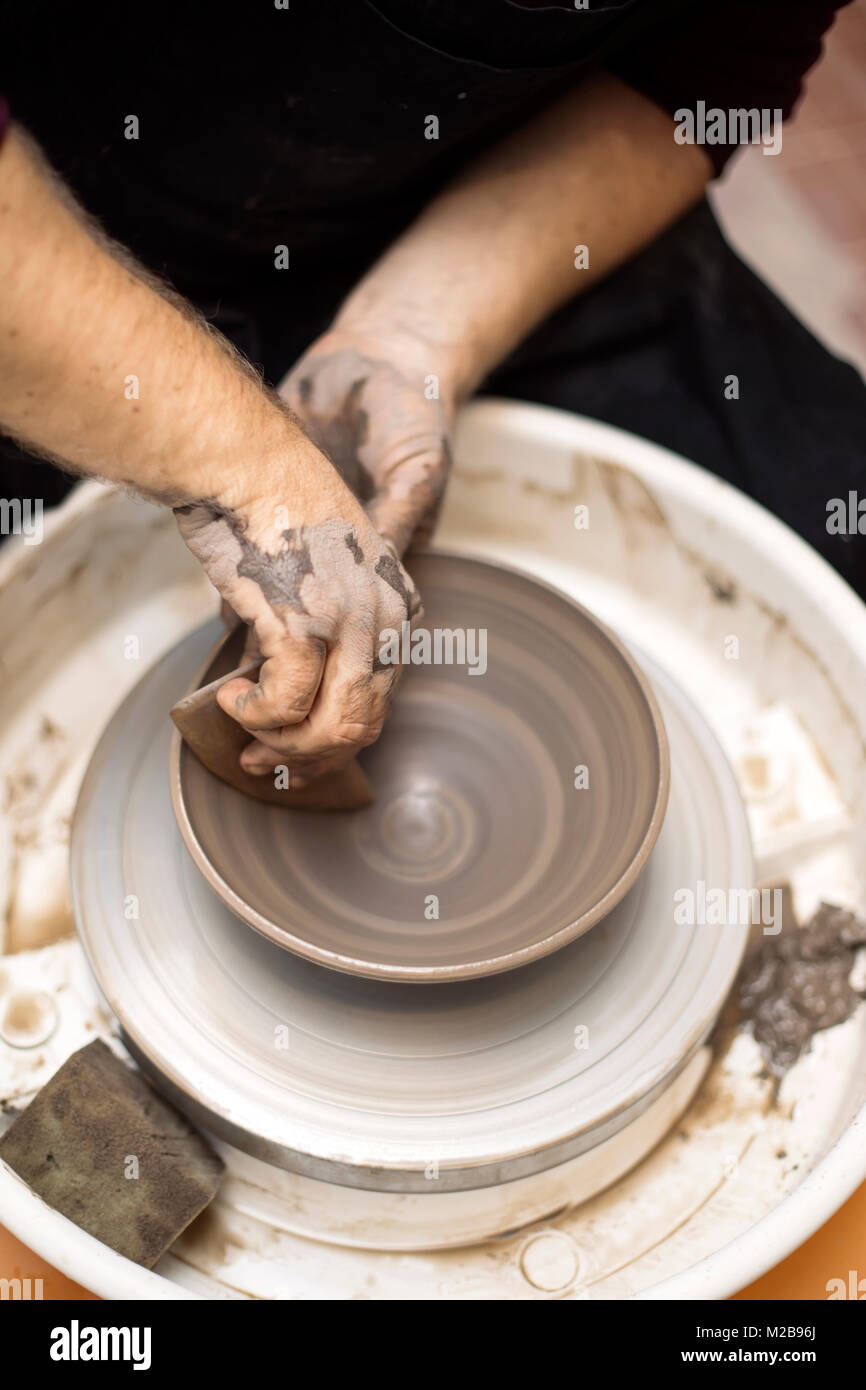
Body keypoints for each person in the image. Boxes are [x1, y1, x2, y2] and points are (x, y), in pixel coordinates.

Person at [0, 0, 861, 784]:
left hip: (487, 198)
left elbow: (704, 72)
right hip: (56, 252)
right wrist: (243, 459)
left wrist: (412, 335)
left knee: (835, 512)